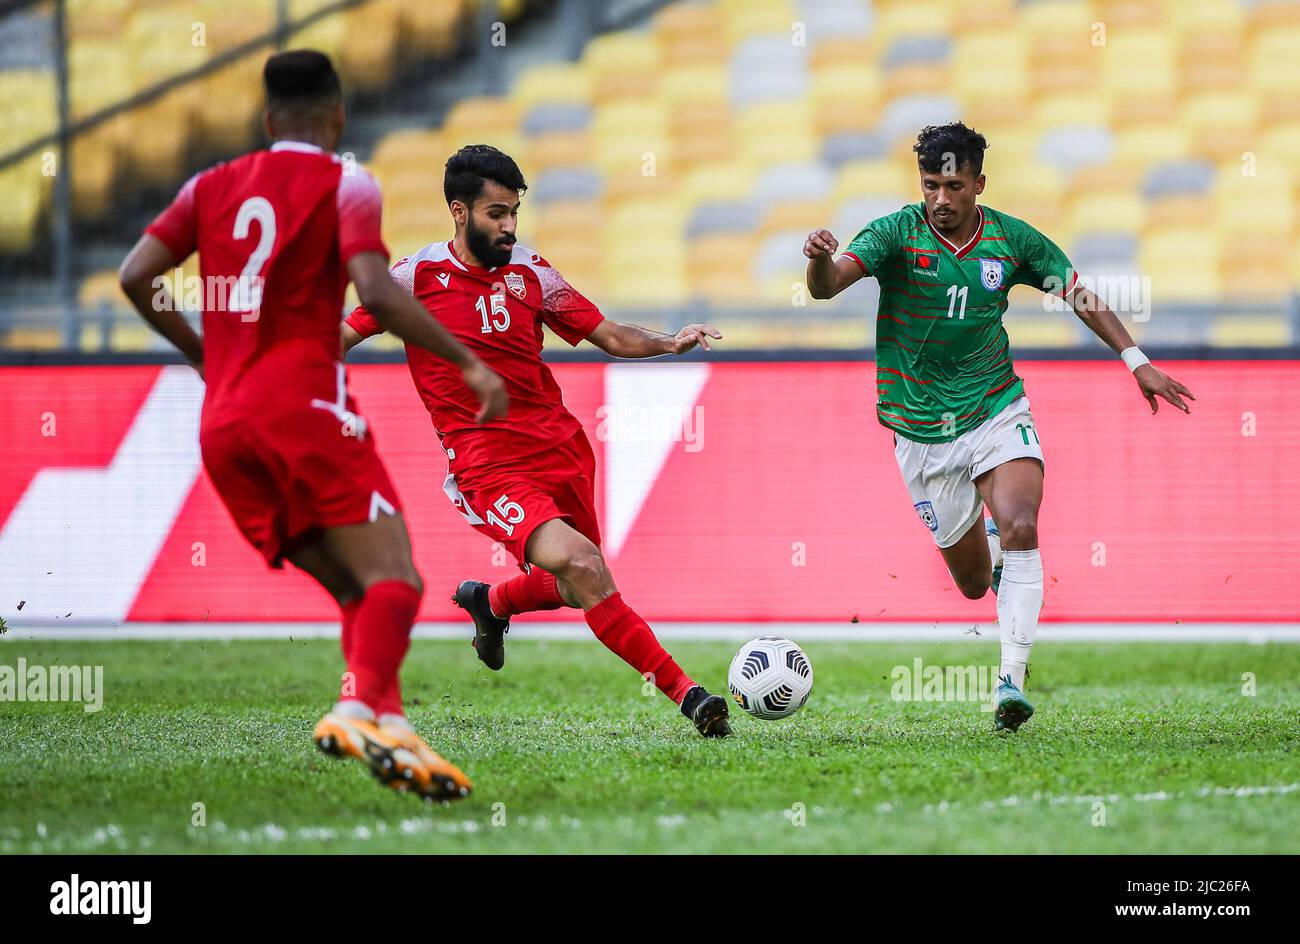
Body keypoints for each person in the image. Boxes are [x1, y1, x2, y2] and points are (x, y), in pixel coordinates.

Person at [118, 50, 509, 798]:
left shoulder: (209, 186)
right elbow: (377, 293)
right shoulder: (346, 183)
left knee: (362, 592)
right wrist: (469, 362)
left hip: (224, 426)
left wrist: (205, 354)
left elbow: (137, 273)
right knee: (398, 576)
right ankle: (355, 709)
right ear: (338, 115)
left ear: (267, 120)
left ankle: (389, 725)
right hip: (306, 411)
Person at [804, 122, 1195, 731]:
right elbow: (828, 290)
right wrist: (820, 263)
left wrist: (1135, 361)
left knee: (1020, 523)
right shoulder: (894, 233)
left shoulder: (1010, 241)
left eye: (953, 185)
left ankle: (1010, 680)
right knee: (971, 583)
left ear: (978, 184)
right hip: (921, 430)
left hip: (994, 406)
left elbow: (1077, 292)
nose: (940, 198)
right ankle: (990, 556)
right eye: (931, 184)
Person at [342, 144, 732, 737]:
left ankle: (492, 602)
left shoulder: (532, 273)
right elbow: (341, 336)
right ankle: (692, 696)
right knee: (583, 564)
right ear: (458, 210)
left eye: (514, 213)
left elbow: (608, 333)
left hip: (561, 449)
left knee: (579, 588)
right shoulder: (413, 279)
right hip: (485, 465)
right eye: (496, 213)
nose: (508, 227)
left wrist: (669, 342)